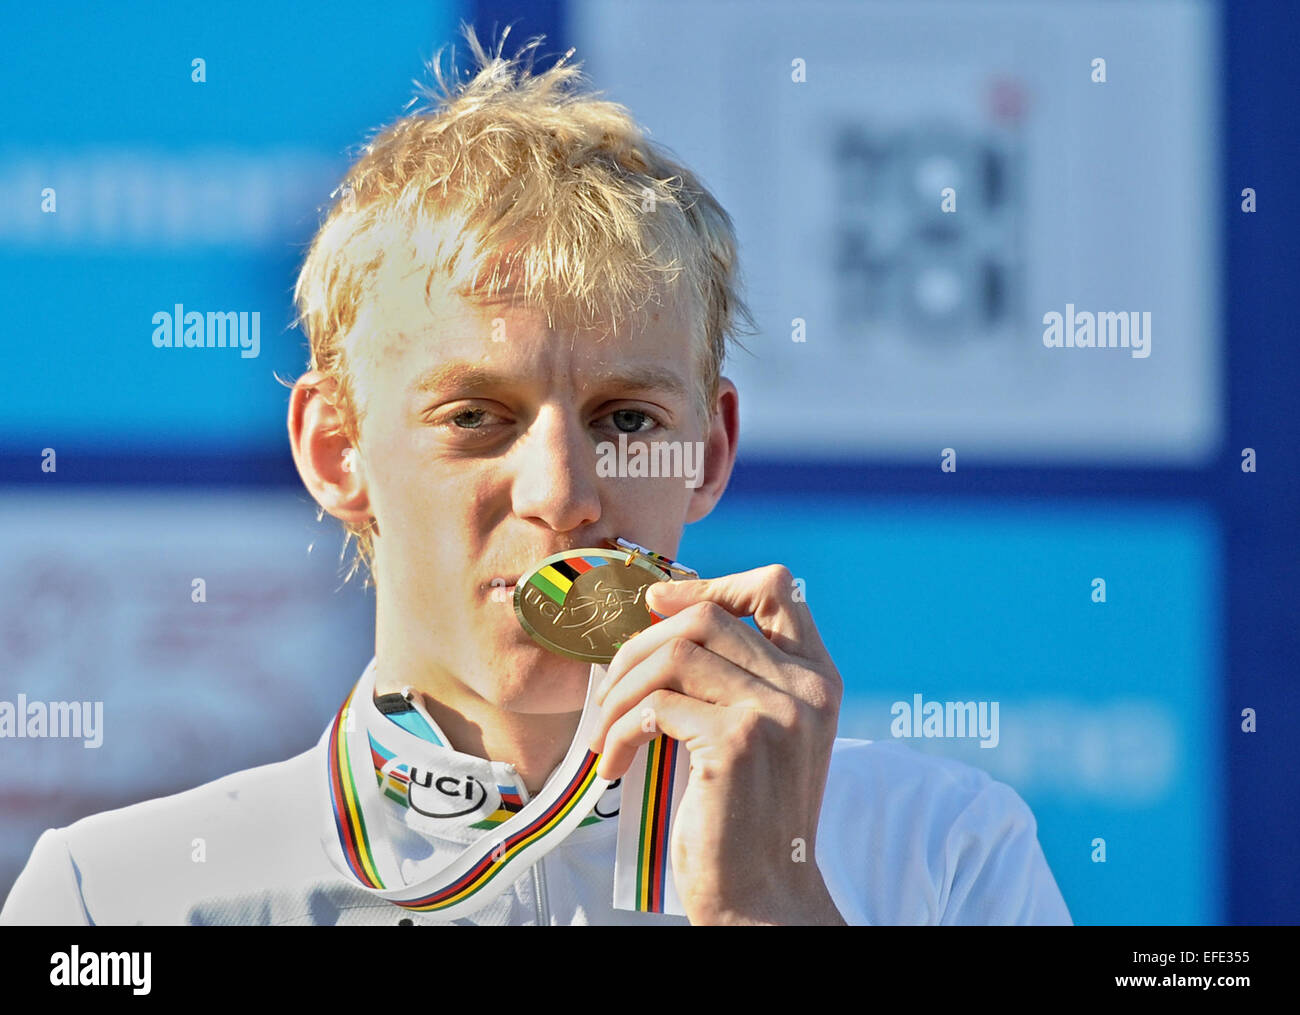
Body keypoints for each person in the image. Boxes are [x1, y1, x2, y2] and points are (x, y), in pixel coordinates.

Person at [0, 27, 1070, 926]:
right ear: (337, 452)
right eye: (475, 417)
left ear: (707, 449)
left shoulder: (943, 850)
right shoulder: (115, 900)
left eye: (626, 418)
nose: (563, 492)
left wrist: (771, 900)